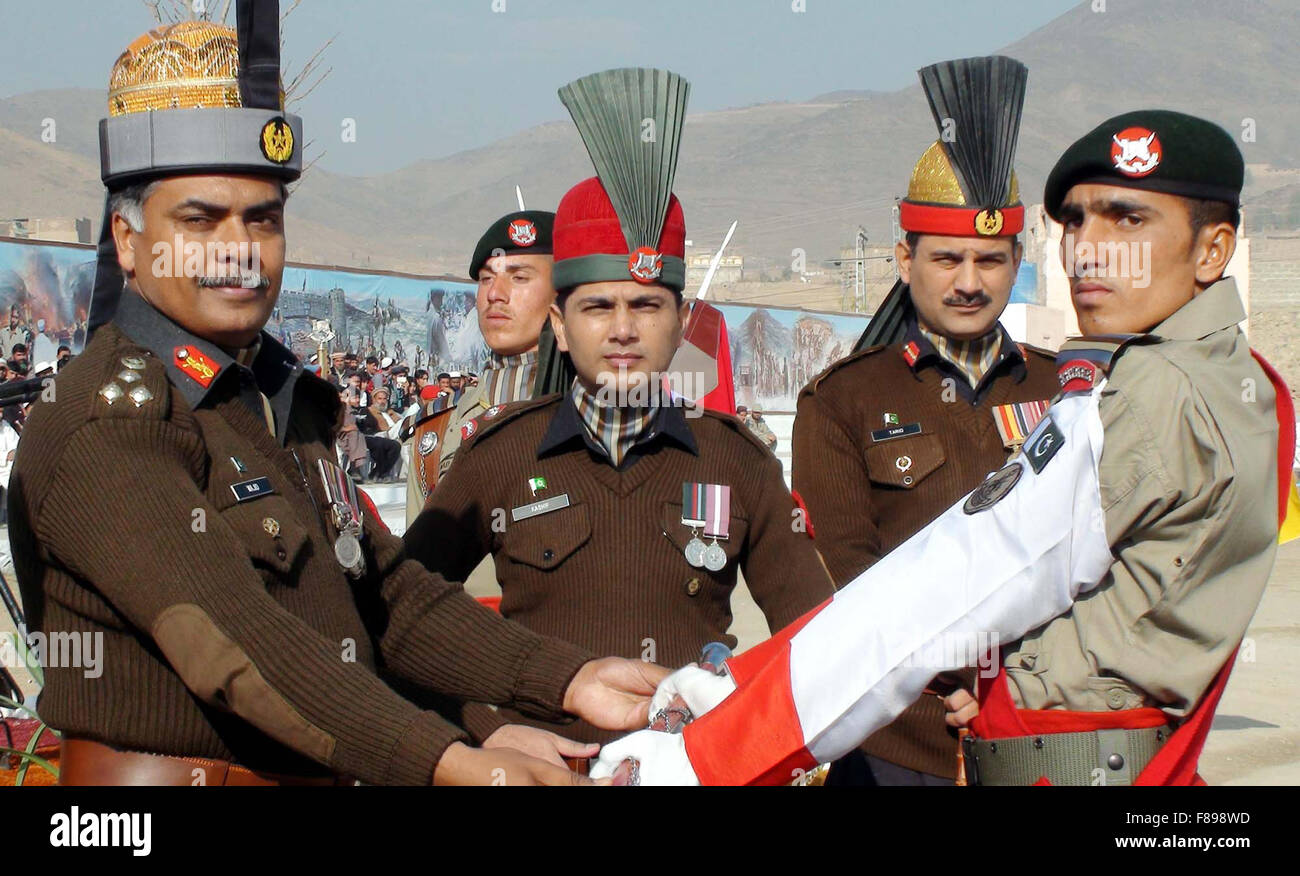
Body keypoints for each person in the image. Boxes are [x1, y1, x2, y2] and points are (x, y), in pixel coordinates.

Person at [7, 6, 664, 787]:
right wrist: (447, 761)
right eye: (200, 220)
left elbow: (387, 597)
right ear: (128, 242)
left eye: (263, 219)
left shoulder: (275, 397)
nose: (238, 251)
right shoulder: (108, 423)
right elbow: (238, 641)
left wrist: (567, 680)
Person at [594, 107, 1290, 787]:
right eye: (1076, 221)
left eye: (1128, 220)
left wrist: (709, 755)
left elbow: (946, 589)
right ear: (906, 259)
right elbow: (886, 586)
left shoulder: (1142, 394)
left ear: (1213, 251)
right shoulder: (1244, 382)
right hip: (913, 740)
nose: (1088, 249)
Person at [404, 67, 834, 755]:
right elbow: (404, 622)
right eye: (598, 307)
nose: (623, 330)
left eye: (647, 306)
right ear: (560, 324)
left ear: (683, 320)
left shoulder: (736, 462)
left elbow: (819, 644)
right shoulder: (501, 456)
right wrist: (493, 732)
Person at [792, 56, 1058, 787]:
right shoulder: (840, 401)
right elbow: (845, 576)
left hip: (1040, 730)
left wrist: (1016, 683)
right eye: (946, 258)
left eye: (989, 259)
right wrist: (948, 674)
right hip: (897, 744)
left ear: (1016, 261)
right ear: (905, 258)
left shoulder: (1065, 388)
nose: (969, 282)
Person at [403, 209, 559, 526]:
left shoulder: (598, 416)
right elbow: (415, 568)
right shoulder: (436, 429)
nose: (494, 294)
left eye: (519, 277)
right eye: (486, 278)